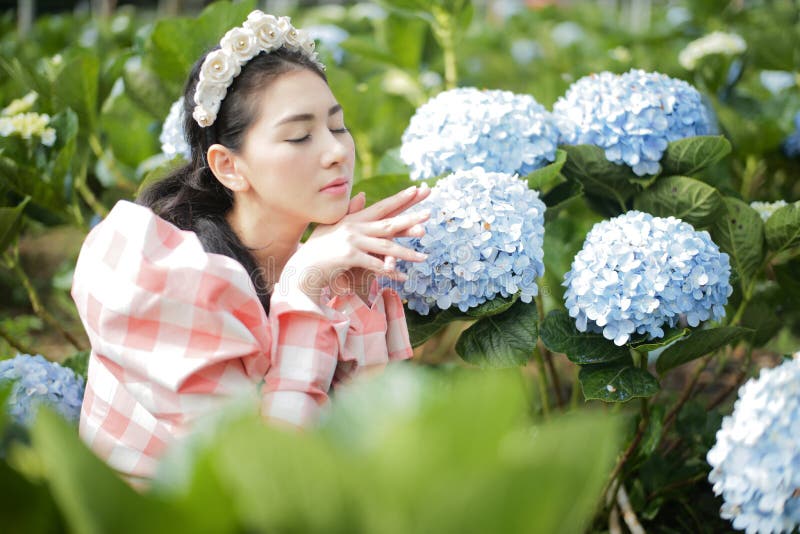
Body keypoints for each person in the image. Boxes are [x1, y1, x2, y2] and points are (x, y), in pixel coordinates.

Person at [70, 10, 430, 485]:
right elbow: (265, 481)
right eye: (299, 135)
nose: (337, 151)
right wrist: (303, 288)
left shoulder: (330, 258)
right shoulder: (172, 282)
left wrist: (343, 290)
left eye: (337, 126)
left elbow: (379, 441)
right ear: (229, 167)